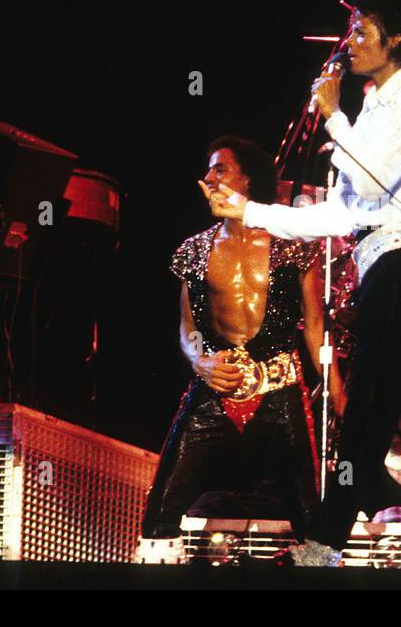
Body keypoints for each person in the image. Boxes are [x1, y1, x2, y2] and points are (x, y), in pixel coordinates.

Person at [202, 0, 401, 570]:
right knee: (400, 413)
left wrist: (332, 116)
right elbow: (340, 217)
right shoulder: (373, 109)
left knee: (394, 410)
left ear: (395, 38)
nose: (349, 43)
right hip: (382, 269)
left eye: (361, 31)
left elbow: (375, 190)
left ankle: (332, 546)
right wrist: (246, 212)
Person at [140, 137, 342, 555]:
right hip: (216, 383)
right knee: (163, 501)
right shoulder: (195, 250)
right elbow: (187, 326)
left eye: (220, 169)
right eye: (208, 169)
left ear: (248, 180)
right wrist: (200, 362)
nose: (209, 177)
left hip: (279, 384)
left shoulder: (293, 246)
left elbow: (315, 328)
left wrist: (341, 397)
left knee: (308, 509)